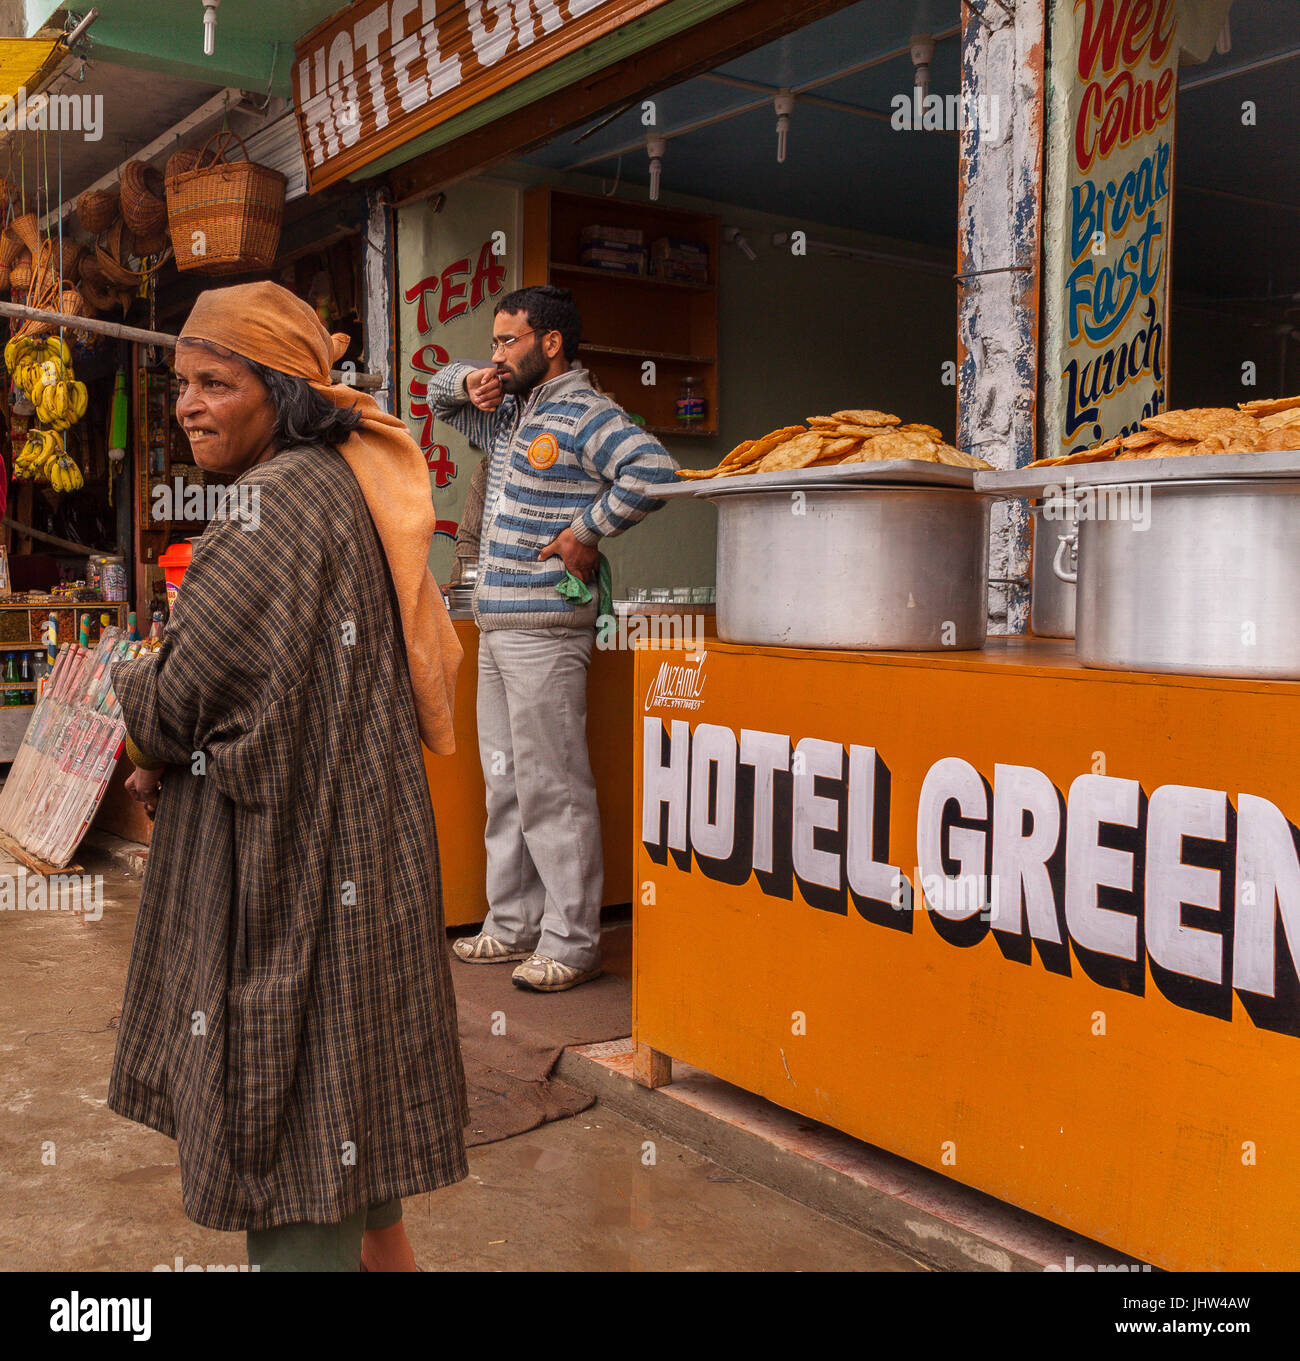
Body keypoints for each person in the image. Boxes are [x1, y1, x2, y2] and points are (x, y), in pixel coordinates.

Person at [108, 281, 468, 1272]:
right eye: (181, 381)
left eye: (215, 382)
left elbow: (173, 703)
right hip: (359, 854)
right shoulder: (339, 484)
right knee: (355, 1124)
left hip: (294, 875)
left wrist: (129, 681)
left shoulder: (266, 511)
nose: (186, 403)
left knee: (295, 1131)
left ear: (279, 389)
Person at [431, 284, 677, 992]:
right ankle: (512, 925)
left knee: (552, 788)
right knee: (506, 786)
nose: (498, 355)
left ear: (551, 343)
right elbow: (435, 400)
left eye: (509, 342)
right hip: (499, 622)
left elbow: (654, 471)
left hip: (546, 627)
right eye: (494, 342)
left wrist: (585, 530)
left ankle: (571, 942)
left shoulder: (584, 412)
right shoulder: (508, 416)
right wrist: (466, 378)